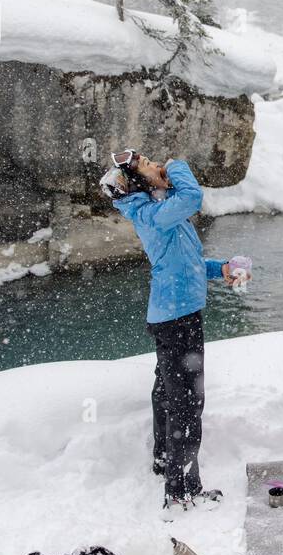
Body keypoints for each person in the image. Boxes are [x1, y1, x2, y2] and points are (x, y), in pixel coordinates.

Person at [100, 149, 248, 518]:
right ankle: (181, 490)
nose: (159, 166)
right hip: (177, 318)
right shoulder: (153, 213)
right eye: (151, 166)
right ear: (142, 183)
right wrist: (178, 164)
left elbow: (188, 262)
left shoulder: (160, 211)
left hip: (175, 314)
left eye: (156, 161)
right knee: (188, 402)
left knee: (168, 391)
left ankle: (165, 459)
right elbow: (193, 196)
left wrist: (222, 269)